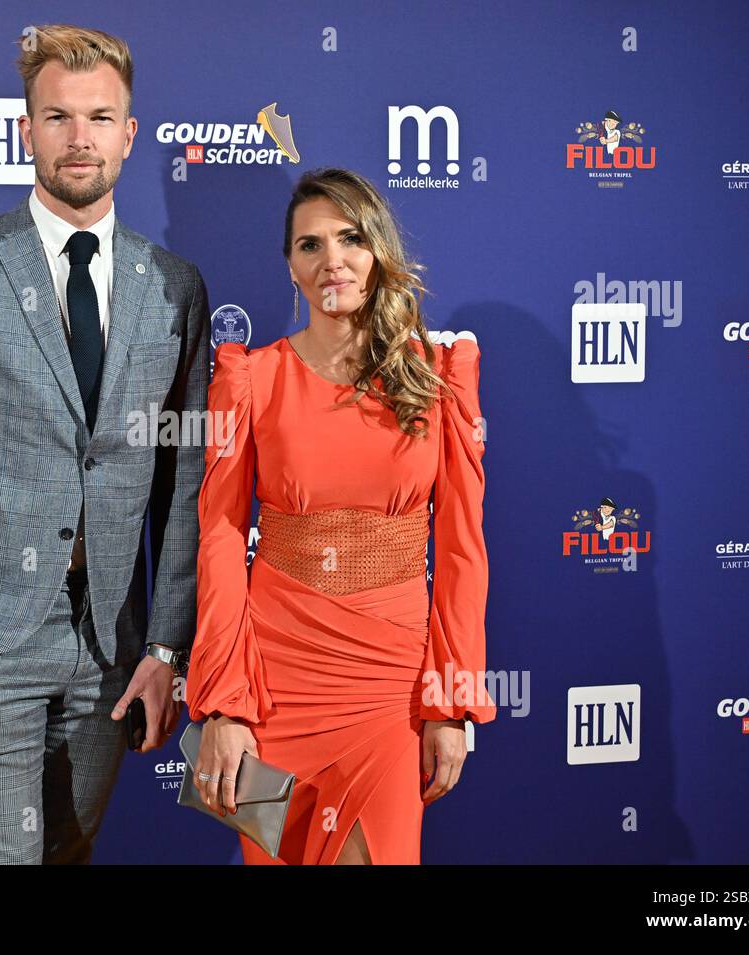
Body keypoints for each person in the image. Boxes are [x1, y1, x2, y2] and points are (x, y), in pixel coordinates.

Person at [0, 24, 209, 864]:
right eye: (57, 117)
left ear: (130, 133)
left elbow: (185, 483)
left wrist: (165, 648)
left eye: (99, 117)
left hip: (108, 651)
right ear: (26, 131)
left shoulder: (172, 286)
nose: (79, 138)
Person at [185, 167, 496, 865]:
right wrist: (225, 704)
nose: (332, 261)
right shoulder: (249, 379)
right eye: (309, 245)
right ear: (290, 266)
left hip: (389, 683)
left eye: (350, 238)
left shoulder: (441, 373)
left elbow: (461, 551)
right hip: (275, 679)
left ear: (378, 248)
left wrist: (448, 700)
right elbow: (221, 538)